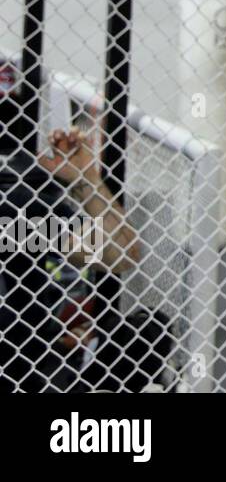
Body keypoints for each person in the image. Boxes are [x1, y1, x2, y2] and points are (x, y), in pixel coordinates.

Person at [0, 122, 144, 392]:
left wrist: (86, 181)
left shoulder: (11, 218)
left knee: (147, 333)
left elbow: (120, 253)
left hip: (18, 382)